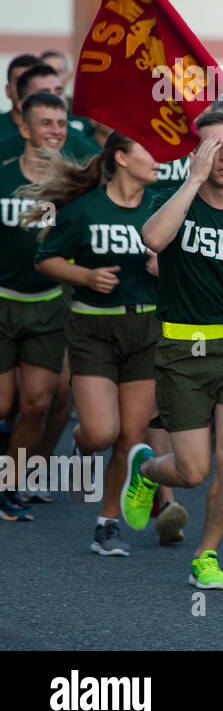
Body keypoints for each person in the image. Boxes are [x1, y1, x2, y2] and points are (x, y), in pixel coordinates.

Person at [119, 112, 223, 589]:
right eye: (213, 147)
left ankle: (207, 553)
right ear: (195, 154)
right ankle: (148, 469)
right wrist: (193, 179)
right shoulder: (169, 199)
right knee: (193, 470)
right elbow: (154, 239)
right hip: (184, 347)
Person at [30, 132, 180, 555]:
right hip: (93, 327)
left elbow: (184, 268)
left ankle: (107, 523)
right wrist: (86, 277)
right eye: (149, 151)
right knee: (100, 433)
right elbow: (45, 258)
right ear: (122, 159)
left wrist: (162, 265)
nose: (159, 160)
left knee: (131, 436)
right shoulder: (85, 209)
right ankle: (81, 446)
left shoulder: (161, 209)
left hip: (146, 329)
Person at [0, 93, 72, 520]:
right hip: (2, 302)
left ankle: (9, 486)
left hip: (48, 305)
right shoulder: (3, 179)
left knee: (38, 404)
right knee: (3, 402)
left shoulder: (73, 186)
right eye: (45, 123)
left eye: (61, 123)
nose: (55, 130)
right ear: (24, 129)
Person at [0, 65, 100, 163]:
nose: (55, 98)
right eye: (45, 93)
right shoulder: (6, 149)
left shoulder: (77, 140)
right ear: (23, 104)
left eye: (59, 92)